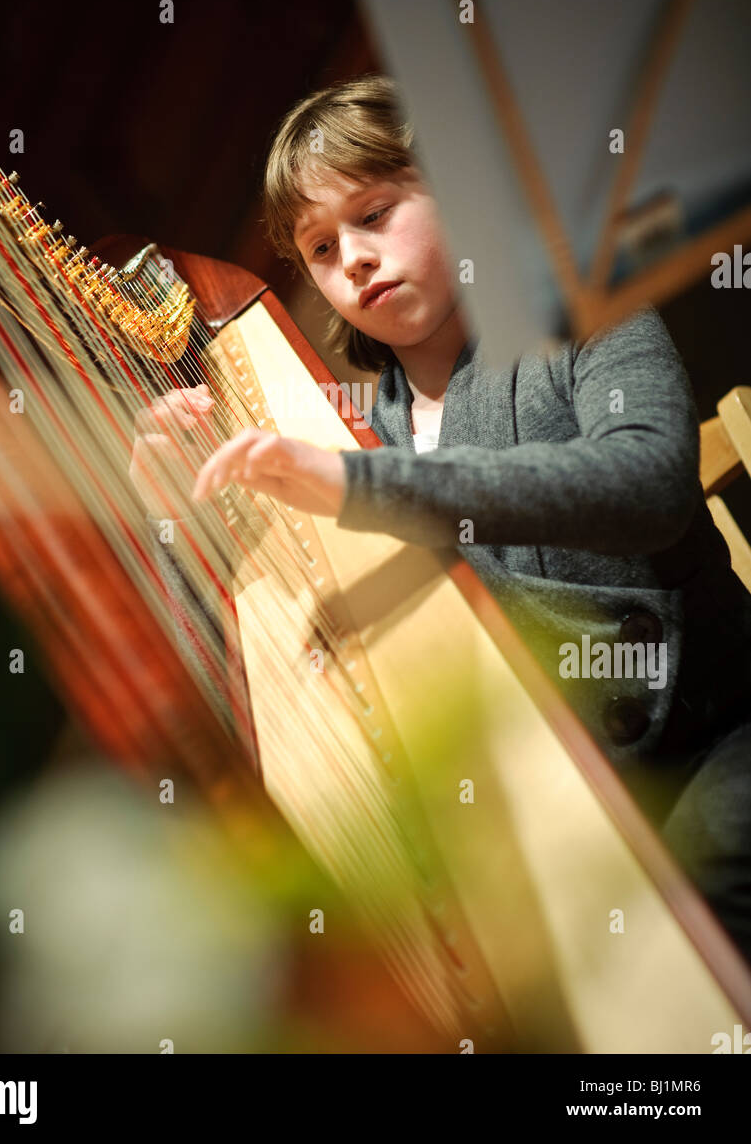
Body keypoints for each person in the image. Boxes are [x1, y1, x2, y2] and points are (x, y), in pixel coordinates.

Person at [131, 74, 751, 969]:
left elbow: (649, 481)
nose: (353, 258)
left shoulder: (578, 314)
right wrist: (172, 523)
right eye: (318, 248)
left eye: (374, 213)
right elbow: (272, 667)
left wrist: (362, 485)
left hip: (714, 743)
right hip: (549, 827)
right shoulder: (352, 429)